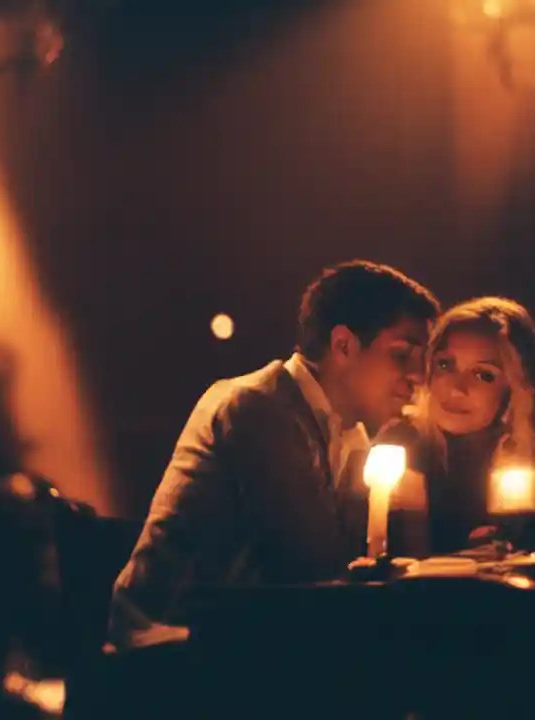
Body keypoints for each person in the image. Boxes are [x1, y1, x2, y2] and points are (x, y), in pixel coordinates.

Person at [107, 260, 440, 651]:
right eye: (403, 355)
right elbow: (313, 572)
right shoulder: (257, 408)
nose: (419, 377)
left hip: (245, 640)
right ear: (344, 345)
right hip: (168, 649)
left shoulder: (352, 434)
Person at [384, 296, 535, 555]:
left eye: (484, 375)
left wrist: (525, 548)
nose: (457, 388)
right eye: (445, 364)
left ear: (515, 388)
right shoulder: (397, 450)